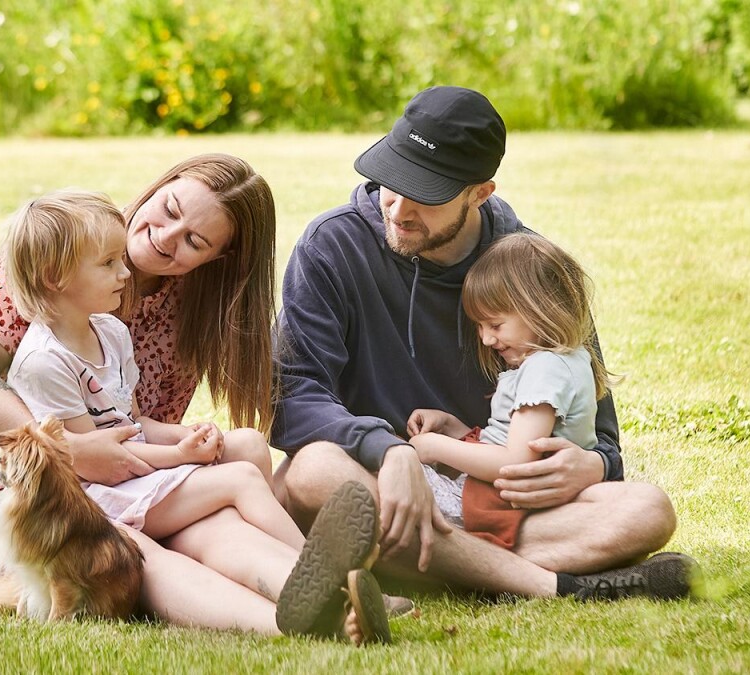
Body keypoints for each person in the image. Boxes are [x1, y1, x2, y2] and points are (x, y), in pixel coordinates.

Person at [0, 154, 391, 642]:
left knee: (230, 473)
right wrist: (65, 450)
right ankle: (292, 614)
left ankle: (335, 593)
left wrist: (181, 448)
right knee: (128, 545)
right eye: (170, 209)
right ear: (157, 186)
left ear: (220, 258)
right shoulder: (58, 255)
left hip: (111, 480)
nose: (165, 237)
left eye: (194, 240)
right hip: (10, 497)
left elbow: (128, 429)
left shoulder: (184, 313)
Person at [272, 86, 696, 601]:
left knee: (648, 510)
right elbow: (293, 399)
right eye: (389, 180)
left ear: (480, 192)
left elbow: (601, 434)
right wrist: (390, 452)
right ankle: (556, 584)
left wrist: (594, 464)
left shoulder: (530, 270)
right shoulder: (332, 246)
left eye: (425, 193)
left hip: (490, 497)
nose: (398, 208)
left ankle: (412, 561)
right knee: (312, 473)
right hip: (375, 481)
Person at [1, 188, 303, 548]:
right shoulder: (44, 362)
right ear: (56, 277)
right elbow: (95, 461)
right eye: (108, 263)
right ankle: (320, 571)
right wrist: (178, 456)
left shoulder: (110, 332)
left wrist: (183, 435)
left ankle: (273, 558)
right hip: (96, 499)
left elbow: (133, 425)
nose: (124, 272)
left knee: (249, 444)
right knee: (241, 480)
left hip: (134, 476)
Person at [407, 232, 613, 552]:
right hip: (505, 495)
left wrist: (433, 446)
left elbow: (515, 461)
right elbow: (508, 440)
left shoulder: (546, 368)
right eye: (480, 327)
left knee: (395, 482)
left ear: (538, 310)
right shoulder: (564, 360)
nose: (487, 340)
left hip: (500, 503)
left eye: (495, 325)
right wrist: (453, 428)